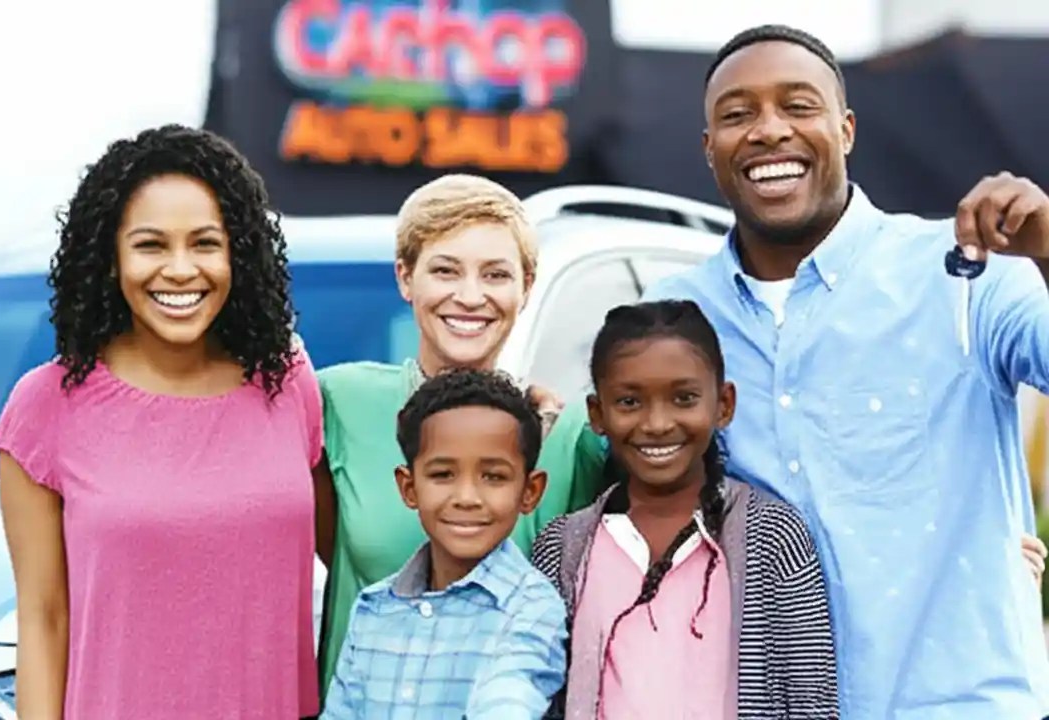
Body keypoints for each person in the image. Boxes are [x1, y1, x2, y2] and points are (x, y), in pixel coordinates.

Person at [642, 23, 1049, 717]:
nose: (769, 130)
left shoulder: (968, 277)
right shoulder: (669, 320)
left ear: (847, 129)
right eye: (738, 115)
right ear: (710, 150)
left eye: (798, 106)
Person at [0, 125, 323, 719]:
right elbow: (43, 620)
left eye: (205, 243)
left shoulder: (289, 383)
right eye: (150, 245)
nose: (180, 270)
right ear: (109, 257)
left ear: (238, 254)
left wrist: (524, 411)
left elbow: (366, 543)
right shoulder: (46, 406)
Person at [313, 174, 607, 695]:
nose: (470, 296)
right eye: (445, 271)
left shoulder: (569, 437)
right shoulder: (338, 402)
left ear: (527, 285)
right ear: (405, 277)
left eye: (496, 274)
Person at [532, 300, 838, 719]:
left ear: (723, 405)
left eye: (684, 398)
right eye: (629, 402)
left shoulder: (772, 536)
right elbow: (540, 696)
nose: (657, 423)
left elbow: (811, 701)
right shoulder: (563, 548)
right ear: (597, 414)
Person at [321, 368, 568, 719]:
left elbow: (511, 698)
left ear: (530, 492)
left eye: (493, 477)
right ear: (409, 488)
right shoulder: (373, 608)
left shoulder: (533, 608)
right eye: (442, 475)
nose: (466, 497)